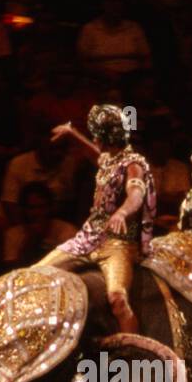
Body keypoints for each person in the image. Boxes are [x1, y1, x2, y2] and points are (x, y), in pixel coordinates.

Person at [38, 104, 155, 334]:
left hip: (117, 244)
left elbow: (136, 194)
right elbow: (97, 155)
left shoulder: (134, 165)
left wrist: (122, 212)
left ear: (107, 138)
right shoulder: (111, 160)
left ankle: (134, 351)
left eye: (97, 136)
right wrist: (72, 134)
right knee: (37, 273)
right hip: (88, 239)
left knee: (118, 300)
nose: (95, 140)